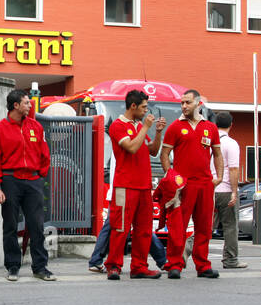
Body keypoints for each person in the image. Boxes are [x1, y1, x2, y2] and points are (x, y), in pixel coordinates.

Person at [0, 88, 54, 282]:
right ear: (15, 105)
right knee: (10, 225)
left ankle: (40, 267)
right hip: (9, 181)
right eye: (26, 102)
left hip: (33, 181)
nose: (30, 105)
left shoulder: (35, 127)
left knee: (37, 225)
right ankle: (13, 266)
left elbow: (45, 154)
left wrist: (40, 176)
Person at [159, 89, 224, 279]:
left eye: (187, 102)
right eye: (182, 103)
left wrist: (218, 177)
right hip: (183, 186)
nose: (184, 106)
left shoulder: (210, 128)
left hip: (205, 184)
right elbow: (164, 154)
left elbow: (217, 154)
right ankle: (174, 264)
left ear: (198, 103)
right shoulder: (175, 127)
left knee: (204, 227)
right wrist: (171, 178)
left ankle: (202, 265)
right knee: (178, 226)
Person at [104, 89, 165, 280]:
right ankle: (113, 265)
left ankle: (139, 266)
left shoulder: (139, 126)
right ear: (133, 106)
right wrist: (146, 128)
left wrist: (158, 133)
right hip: (125, 185)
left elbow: (152, 151)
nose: (146, 111)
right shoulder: (118, 126)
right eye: (144, 107)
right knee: (120, 227)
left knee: (144, 229)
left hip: (144, 185)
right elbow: (131, 147)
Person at [213, 112, 247, 269]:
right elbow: (233, 169)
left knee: (203, 226)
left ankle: (182, 257)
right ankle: (231, 260)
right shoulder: (231, 143)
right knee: (230, 227)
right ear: (231, 125)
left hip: (210, 188)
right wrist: (235, 191)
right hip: (226, 189)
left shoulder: (207, 142)